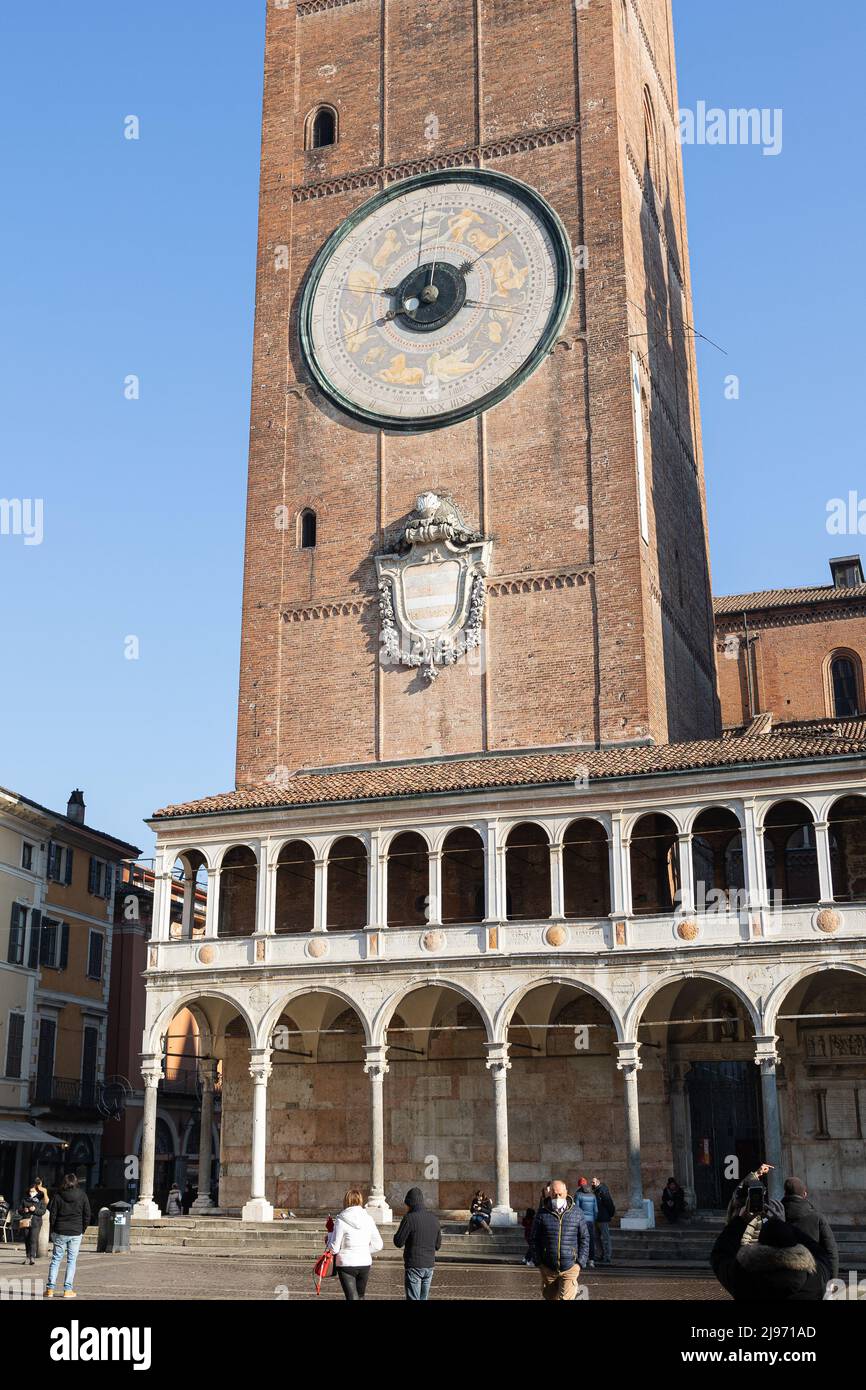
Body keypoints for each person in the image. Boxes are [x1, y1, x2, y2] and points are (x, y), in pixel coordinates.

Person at [711, 1197, 833, 1301]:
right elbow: (820, 1252)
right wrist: (783, 1225)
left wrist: (742, 1221)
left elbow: (719, 1254)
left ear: (760, 1244)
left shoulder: (743, 1277)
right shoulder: (814, 1277)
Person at [529, 1179, 590, 1301]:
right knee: (550, 1297)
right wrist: (539, 1262)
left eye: (560, 1194)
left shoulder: (577, 1213)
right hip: (548, 1267)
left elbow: (584, 1238)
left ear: (566, 1193)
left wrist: (580, 1263)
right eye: (554, 1194)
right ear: (550, 1194)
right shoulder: (542, 1213)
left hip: (570, 1266)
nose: (557, 1197)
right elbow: (534, 1239)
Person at [327, 1187, 384, 1301]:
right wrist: (363, 1250)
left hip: (346, 1263)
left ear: (346, 1201)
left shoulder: (341, 1220)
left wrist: (329, 1235)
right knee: (361, 1296)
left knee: (352, 1297)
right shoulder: (369, 1219)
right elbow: (378, 1244)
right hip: (364, 1262)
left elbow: (334, 1248)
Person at [782, 1176, 839, 1278]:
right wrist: (832, 1278)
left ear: (785, 1193)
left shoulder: (776, 1218)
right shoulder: (817, 1217)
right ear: (804, 1194)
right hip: (812, 1277)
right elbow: (831, 1250)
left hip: (784, 1278)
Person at [45, 1173, 91, 1299]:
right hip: (76, 1231)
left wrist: (53, 1230)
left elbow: (52, 1214)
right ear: (76, 1182)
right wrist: (82, 1229)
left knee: (56, 1259)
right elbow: (87, 1214)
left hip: (60, 1231)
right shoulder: (82, 1195)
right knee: (71, 1261)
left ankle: (50, 1289)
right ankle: (67, 1290)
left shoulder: (58, 1195)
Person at [393, 1187, 442, 1301]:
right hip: (429, 1265)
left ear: (410, 1203)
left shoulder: (409, 1218)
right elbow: (438, 1245)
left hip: (414, 1265)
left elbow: (398, 1242)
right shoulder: (434, 1219)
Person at [17, 1181, 47, 1265]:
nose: (31, 1193)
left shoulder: (41, 1200)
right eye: (30, 1191)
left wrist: (35, 1210)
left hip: (36, 1222)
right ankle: (27, 1256)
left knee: (33, 1239)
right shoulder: (25, 1199)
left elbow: (43, 1211)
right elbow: (19, 1210)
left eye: (33, 1191)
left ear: (37, 1192)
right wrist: (24, 1210)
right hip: (26, 1221)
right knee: (26, 1239)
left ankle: (32, 1257)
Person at [591, 1175, 615, 1265]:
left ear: (598, 1182)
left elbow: (609, 1203)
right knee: (596, 1238)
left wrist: (611, 1214)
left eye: (593, 1182)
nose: (592, 1183)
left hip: (603, 1218)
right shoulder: (595, 1191)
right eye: (591, 1182)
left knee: (605, 1238)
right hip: (596, 1218)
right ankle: (599, 1255)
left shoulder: (603, 1190)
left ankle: (607, 1256)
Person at [575, 1178, 598, 1267]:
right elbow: (596, 1210)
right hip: (591, 1221)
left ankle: (582, 1260)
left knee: (581, 1240)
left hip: (581, 1221)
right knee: (591, 1240)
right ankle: (591, 1260)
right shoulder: (593, 1195)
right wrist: (594, 1219)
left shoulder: (578, 1195)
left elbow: (576, 1209)